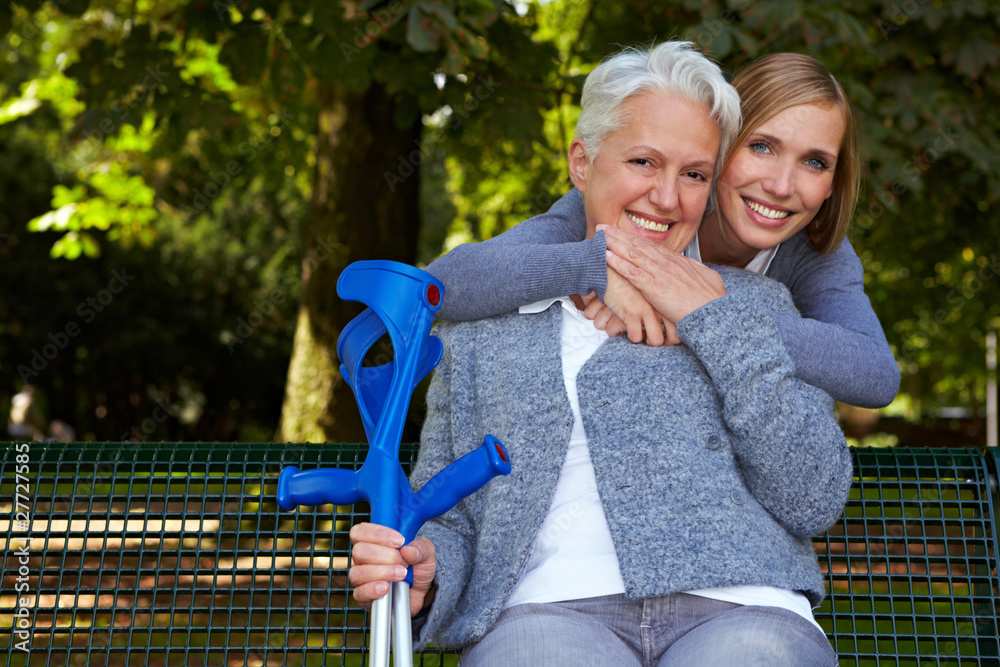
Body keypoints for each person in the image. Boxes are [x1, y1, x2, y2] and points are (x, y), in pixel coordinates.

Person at [349, 42, 851, 666]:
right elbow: (447, 512)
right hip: (546, 615)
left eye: (694, 174)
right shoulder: (486, 326)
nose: (667, 198)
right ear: (582, 164)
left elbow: (815, 495)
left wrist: (713, 322)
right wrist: (426, 567)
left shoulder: (756, 306)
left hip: (745, 610)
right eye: (644, 161)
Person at [424, 52, 899, 410]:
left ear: (835, 182)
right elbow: (445, 284)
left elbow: (874, 373)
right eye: (761, 147)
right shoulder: (626, 203)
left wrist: (701, 311)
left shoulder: (815, 246)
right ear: (720, 146)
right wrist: (596, 267)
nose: (780, 185)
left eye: (815, 162)